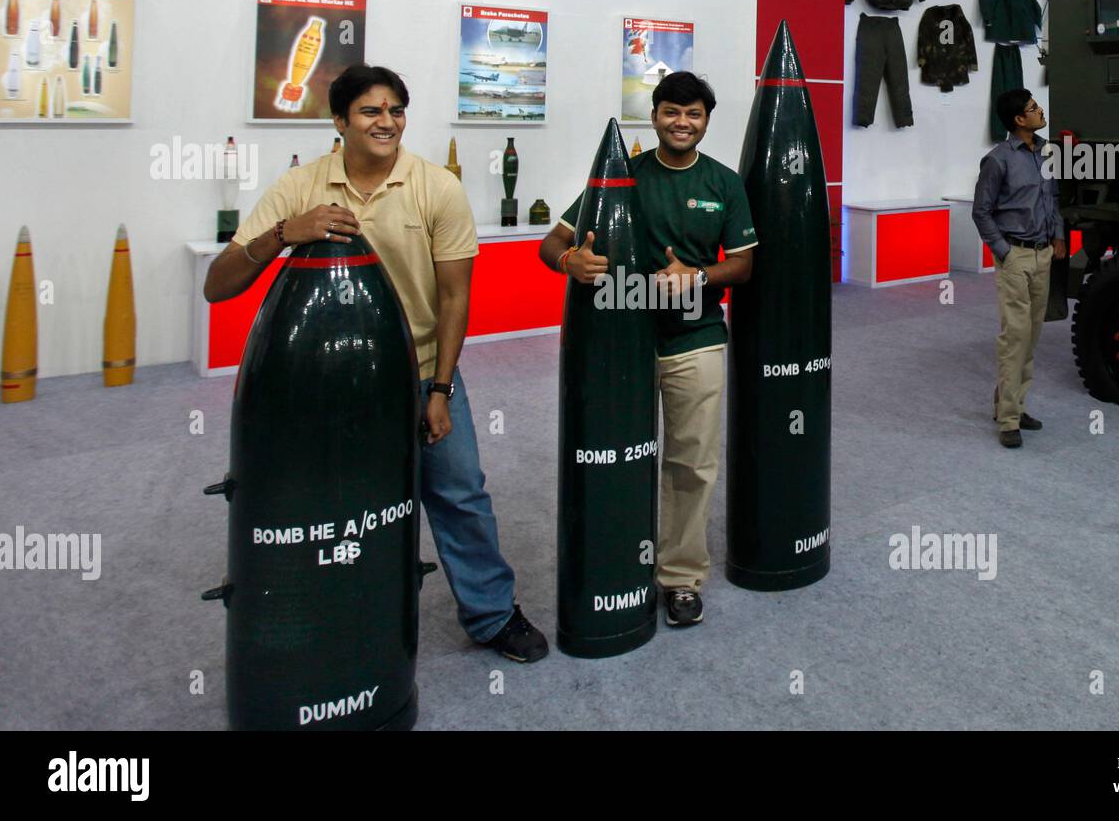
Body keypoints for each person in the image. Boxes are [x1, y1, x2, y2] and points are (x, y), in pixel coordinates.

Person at [204, 63, 548, 662]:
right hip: (326, 388)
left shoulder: (436, 186)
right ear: (340, 122)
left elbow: (454, 297)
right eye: (370, 111)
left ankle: (493, 614)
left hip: (417, 372)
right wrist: (287, 230)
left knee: (460, 494)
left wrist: (440, 389)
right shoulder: (301, 187)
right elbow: (219, 285)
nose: (385, 122)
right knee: (331, 506)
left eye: (395, 110)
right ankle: (329, 620)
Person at [539, 72, 758, 626]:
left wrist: (700, 276)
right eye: (671, 112)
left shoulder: (725, 184)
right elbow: (552, 242)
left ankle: (681, 578)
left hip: (696, 340)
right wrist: (571, 263)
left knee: (692, 463)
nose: (682, 123)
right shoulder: (622, 177)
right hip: (623, 346)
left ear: (706, 121)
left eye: (694, 114)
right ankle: (621, 568)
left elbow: (743, 264)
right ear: (654, 116)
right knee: (619, 463)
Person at [972, 88, 1067, 449]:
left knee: (1031, 337)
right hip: (1015, 258)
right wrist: (1004, 253)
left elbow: (1053, 198)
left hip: (1043, 256)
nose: (1040, 110)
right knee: (1014, 338)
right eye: (1033, 108)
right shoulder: (997, 161)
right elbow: (981, 212)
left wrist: (1058, 235)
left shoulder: (1046, 153)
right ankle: (1009, 420)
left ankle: (1013, 404)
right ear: (1018, 120)